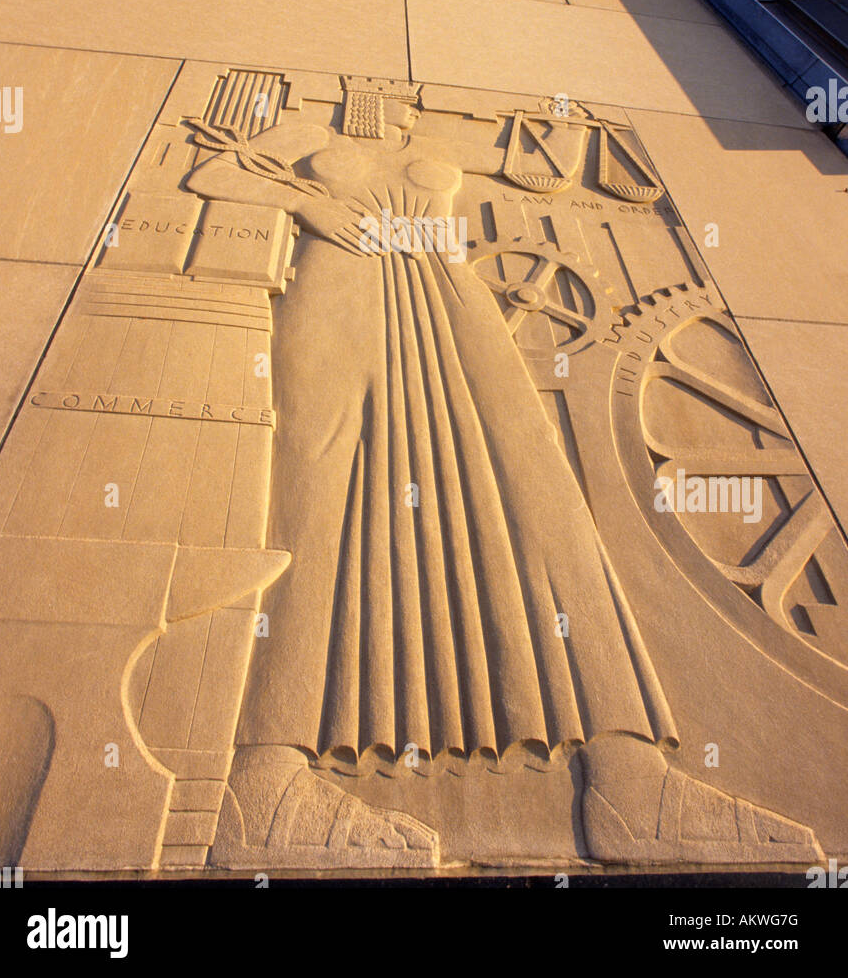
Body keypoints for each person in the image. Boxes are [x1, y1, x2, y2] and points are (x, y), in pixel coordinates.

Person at [185, 78, 819, 868]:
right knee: (319, 504)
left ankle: (631, 780)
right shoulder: (297, 130)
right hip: (340, 297)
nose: (381, 92)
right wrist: (303, 205)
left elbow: (563, 162)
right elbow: (213, 174)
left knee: (539, 499)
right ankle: (265, 781)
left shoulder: (444, 143)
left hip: (451, 299)